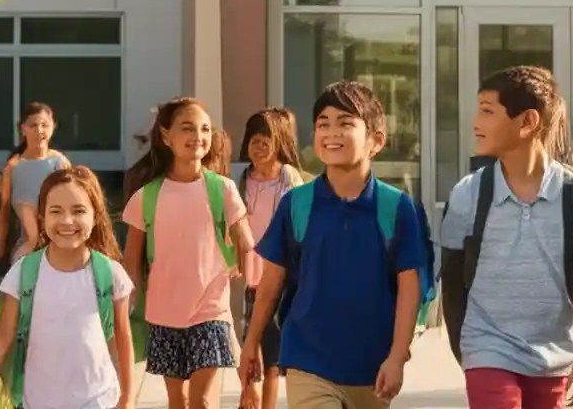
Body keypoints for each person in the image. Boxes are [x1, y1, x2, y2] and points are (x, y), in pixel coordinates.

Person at [239, 81, 426, 409]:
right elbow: (271, 281)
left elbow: (409, 285)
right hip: (307, 359)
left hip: (372, 367)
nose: (331, 132)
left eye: (345, 123)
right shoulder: (296, 204)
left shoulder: (396, 207)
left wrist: (397, 356)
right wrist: (251, 342)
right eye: (323, 124)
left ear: (375, 141)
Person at [440, 66, 573, 409]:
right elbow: (453, 285)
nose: (475, 123)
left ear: (527, 122)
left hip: (554, 356)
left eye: (488, 111)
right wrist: (469, 352)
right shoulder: (467, 195)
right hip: (488, 349)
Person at [122, 97, 255, 409]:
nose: (198, 136)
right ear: (166, 137)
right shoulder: (147, 196)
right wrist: (126, 308)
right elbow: (131, 261)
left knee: (203, 402)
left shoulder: (222, 188)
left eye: (205, 129)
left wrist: (249, 291)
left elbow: (246, 240)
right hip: (163, 313)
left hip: (211, 309)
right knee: (177, 400)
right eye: (188, 128)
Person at [0, 165, 137, 409]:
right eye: (56, 211)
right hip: (38, 402)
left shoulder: (109, 274)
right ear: (42, 217)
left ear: (96, 215)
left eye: (78, 211)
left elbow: (123, 340)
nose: (67, 221)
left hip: (99, 401)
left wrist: (128, 400)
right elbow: (2, 338)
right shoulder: (25, 273)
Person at [234, 108, 305, 409]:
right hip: (251, 275)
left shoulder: (289, 179)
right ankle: (248, 395)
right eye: (253, 140)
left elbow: (300, 226)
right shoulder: (242, 179)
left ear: (280, 143)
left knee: (272, 351)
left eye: (265, 141)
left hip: (280, 276)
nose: (258, 147)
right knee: (250, 338)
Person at [0, 102, 71, 266]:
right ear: (23, 129)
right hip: (27, 247)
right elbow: (4, 211)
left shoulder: (60, 163)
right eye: (33, 125)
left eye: (44, 125)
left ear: (53, 127)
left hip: (59, 243)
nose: (39, 130)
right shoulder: (13, 167)